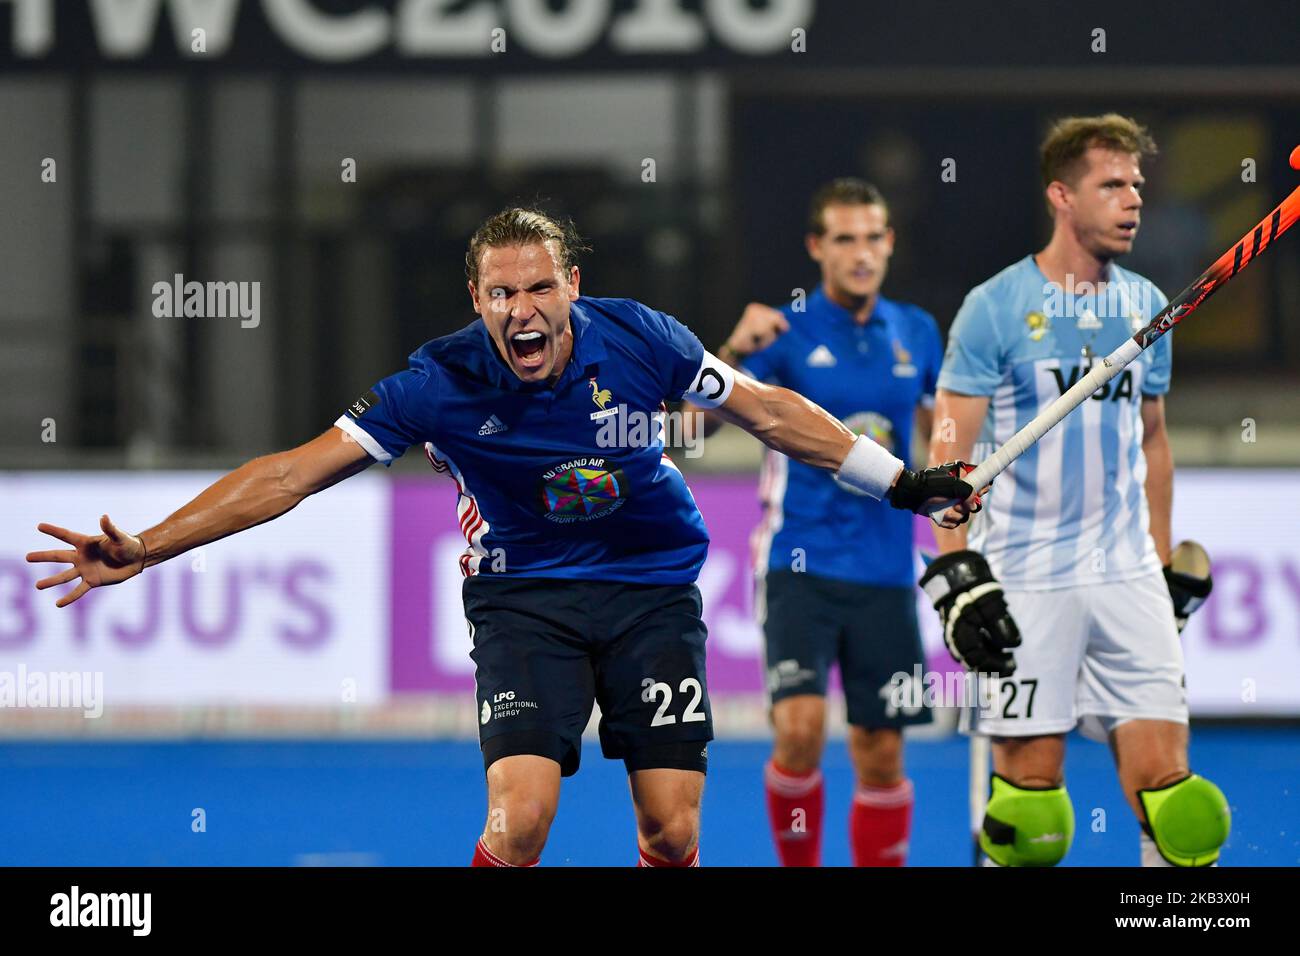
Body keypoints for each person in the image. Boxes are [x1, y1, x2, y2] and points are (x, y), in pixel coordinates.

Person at [27, 207, 977, 867]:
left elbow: (767, 412)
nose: (521, 310)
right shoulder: (434, 385)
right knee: (520, 823)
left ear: (573, 286)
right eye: (499, 293)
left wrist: (900, 482)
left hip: (651, 590)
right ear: (476, 299)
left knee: (672, 831)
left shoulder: (641, 338)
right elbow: (287, 475)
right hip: (525, 601)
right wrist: (150, 544)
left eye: (539, 288)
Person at [926, 115, 1229, 867]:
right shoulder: (995, 307)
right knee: (1031, 817)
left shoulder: (1149, 303)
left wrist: (1160, 561)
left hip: (1127, 576)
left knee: (1181, 809)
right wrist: (959, 569)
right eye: (1112, 185)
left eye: (1137, 185)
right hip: (1027, 578)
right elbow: (949, 453)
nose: (1134, 200)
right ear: (1061, 196)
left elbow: (1152, 440)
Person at [691, 179, 943, 866]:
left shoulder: (917, 331)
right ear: (816, 247)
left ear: (890, 242)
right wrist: (731, 351)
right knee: (799, 732)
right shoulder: (781, 331)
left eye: (873, 237)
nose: (861, 253)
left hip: (886, 571)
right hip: (798, 562)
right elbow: (690, 430)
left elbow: (942, 436)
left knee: (882, 751)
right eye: (844, 239)